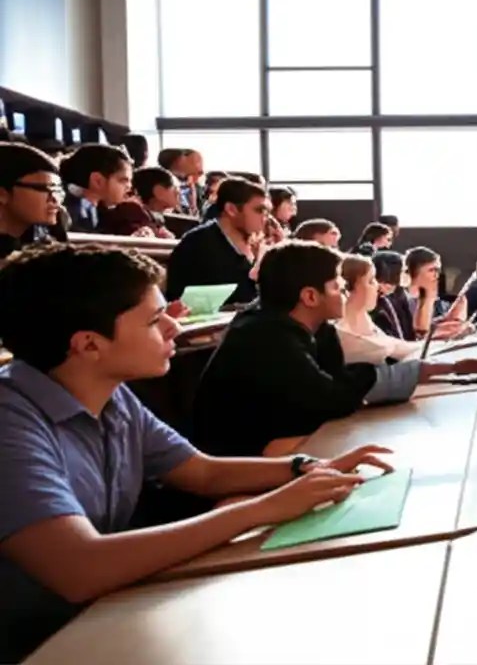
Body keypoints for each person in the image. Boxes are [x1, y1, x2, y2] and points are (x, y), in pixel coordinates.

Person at [0, 244, 391, 662]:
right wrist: (259, 510)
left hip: (98, 618)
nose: (173, 327)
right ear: (89, 345)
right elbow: (79, 569)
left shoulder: (112, 397)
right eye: (154, 319)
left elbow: (201, 472)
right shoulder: (10, 420)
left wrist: (305, 468)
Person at [192, 242, 477, 457]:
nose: (345, 292)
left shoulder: (313, 325)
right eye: (338, 286)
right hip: (242, 462)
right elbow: (331, 396)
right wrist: (428, 372)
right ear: (310, 296)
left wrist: (446, 369)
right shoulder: (263, 337)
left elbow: (340, 379)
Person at [164, 177, 268, 306]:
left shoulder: (256, 244)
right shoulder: (197, 244)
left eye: (266, 212)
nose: (265, 218)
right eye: (259, 210)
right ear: (231, 209)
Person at [335, 254, 424, 364]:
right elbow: (387, 348)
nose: (377, 286)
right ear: (348, 287)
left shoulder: (364, 317)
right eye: (371, 281)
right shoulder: (341, 332)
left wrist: (435, 344)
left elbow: (396, 346)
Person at [0, 143, 67, 259]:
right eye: (45, 188)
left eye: (58, 190)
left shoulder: (41, 240)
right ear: (2, 194)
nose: (55, 199)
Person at [59, 144, 133, 233]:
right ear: (97, 181)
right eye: (123, 180)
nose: (129, 187)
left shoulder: (106, 211)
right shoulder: (64, 212)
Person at [403, 246, 472, 340]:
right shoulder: (402, 301)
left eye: (438, 271)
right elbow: (419, 332)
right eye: (431, 270)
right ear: (413, 272)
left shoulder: (437, 302)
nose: (436, 276)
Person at [99, 167, 179, 239]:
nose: (179, 198)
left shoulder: (151, 215)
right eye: (176, 192)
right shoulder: (131, 209)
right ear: (159, 191)